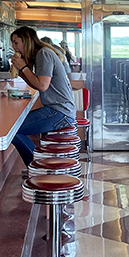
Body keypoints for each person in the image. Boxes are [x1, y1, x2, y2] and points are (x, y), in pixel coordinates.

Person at [10, 26, 76, 165]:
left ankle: (36, 166)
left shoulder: (43, 53)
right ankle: (37, 166)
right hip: (58, 110)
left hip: (60, 111)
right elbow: (39, 84)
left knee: (13, 131)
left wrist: (23, 68)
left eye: (16, 43)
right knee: (14, 129)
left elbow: (42, 85)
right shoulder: (41, 54)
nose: (14, 47)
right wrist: (21, 73)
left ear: (26, 40)